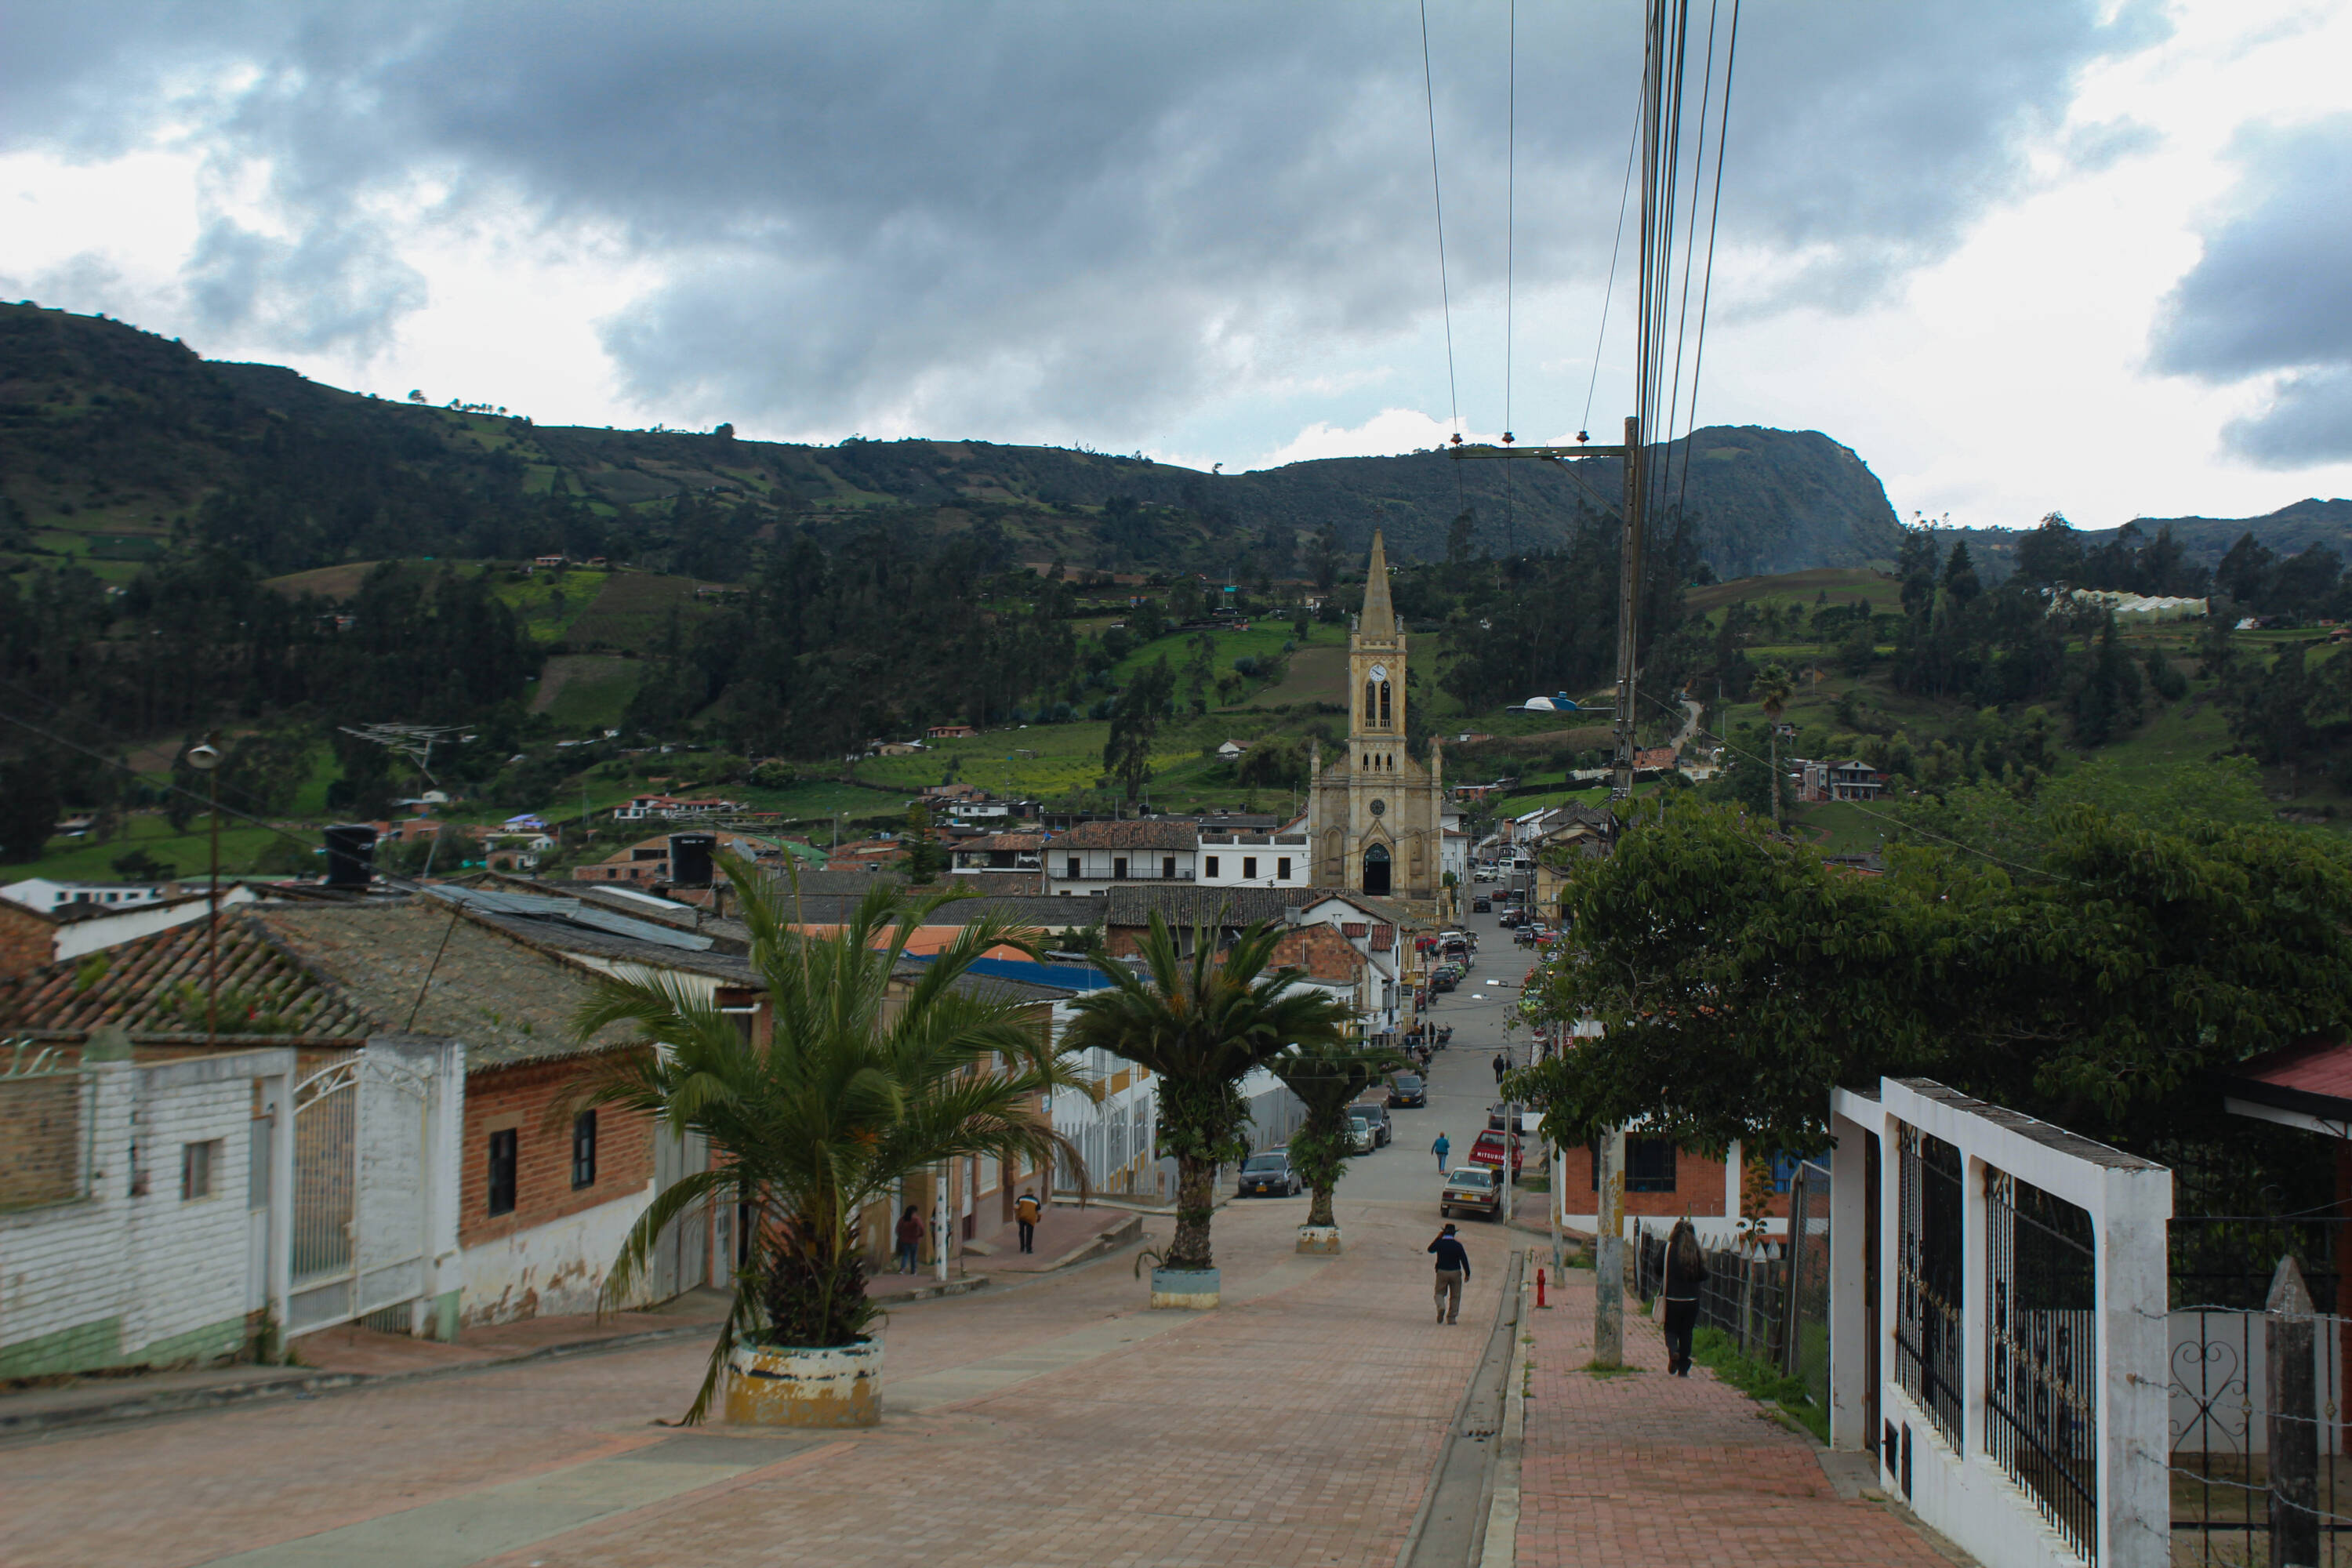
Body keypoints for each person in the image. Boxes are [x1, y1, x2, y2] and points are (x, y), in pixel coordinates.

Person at [1662, 1218, 1708, 1375]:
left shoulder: (1668, 1248)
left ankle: (1673, 1351)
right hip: (1692, 1299)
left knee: (1670, 1328)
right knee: (1687, 1332)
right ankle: (1683, 1368)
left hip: (1672, 1298)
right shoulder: (1696, 1251)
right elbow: (1704, 1275)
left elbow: (1656, 1268)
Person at [1428, 1222, 1472, 1324]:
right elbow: (1464, 1260)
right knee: (1455, 1296)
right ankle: (1452, 1318)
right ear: (1454, 1234)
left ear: (1443, 1233)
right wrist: (1467, 1273)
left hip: (1442, 1272)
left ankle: (1441, 1307)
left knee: (1439, 1293)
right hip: (1455, 1273)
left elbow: (1430, 1250)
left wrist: (1438, 1238)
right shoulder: (1458, 1245)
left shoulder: (1440, 1243)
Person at [894, 1203, 924, 1275]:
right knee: (913, 1256)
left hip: (904, 1240)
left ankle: (902, 1269)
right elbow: (922, 1228)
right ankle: (913, 1271)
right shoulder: (916, 1219)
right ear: (914, 1212)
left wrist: (901, 1236)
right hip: (914, 1240)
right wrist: (920, 1235)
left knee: (905, 1255)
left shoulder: (903, 1218)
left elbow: (897, 1229)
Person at [1014, 1189, 1042, 1254]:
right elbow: (1039, 1212)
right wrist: (1039, 1219)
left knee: (1022, 1232)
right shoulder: (1036, 1200)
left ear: (1026, 1193)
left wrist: (1017, 1215)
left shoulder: (1021, 1198)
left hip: (1022, 1217)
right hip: (1031, 1218)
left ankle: (1022, 1247)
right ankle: (1028, 1249)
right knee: (1029, 1233)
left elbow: (1016, 1207)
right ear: (1033, 1193)